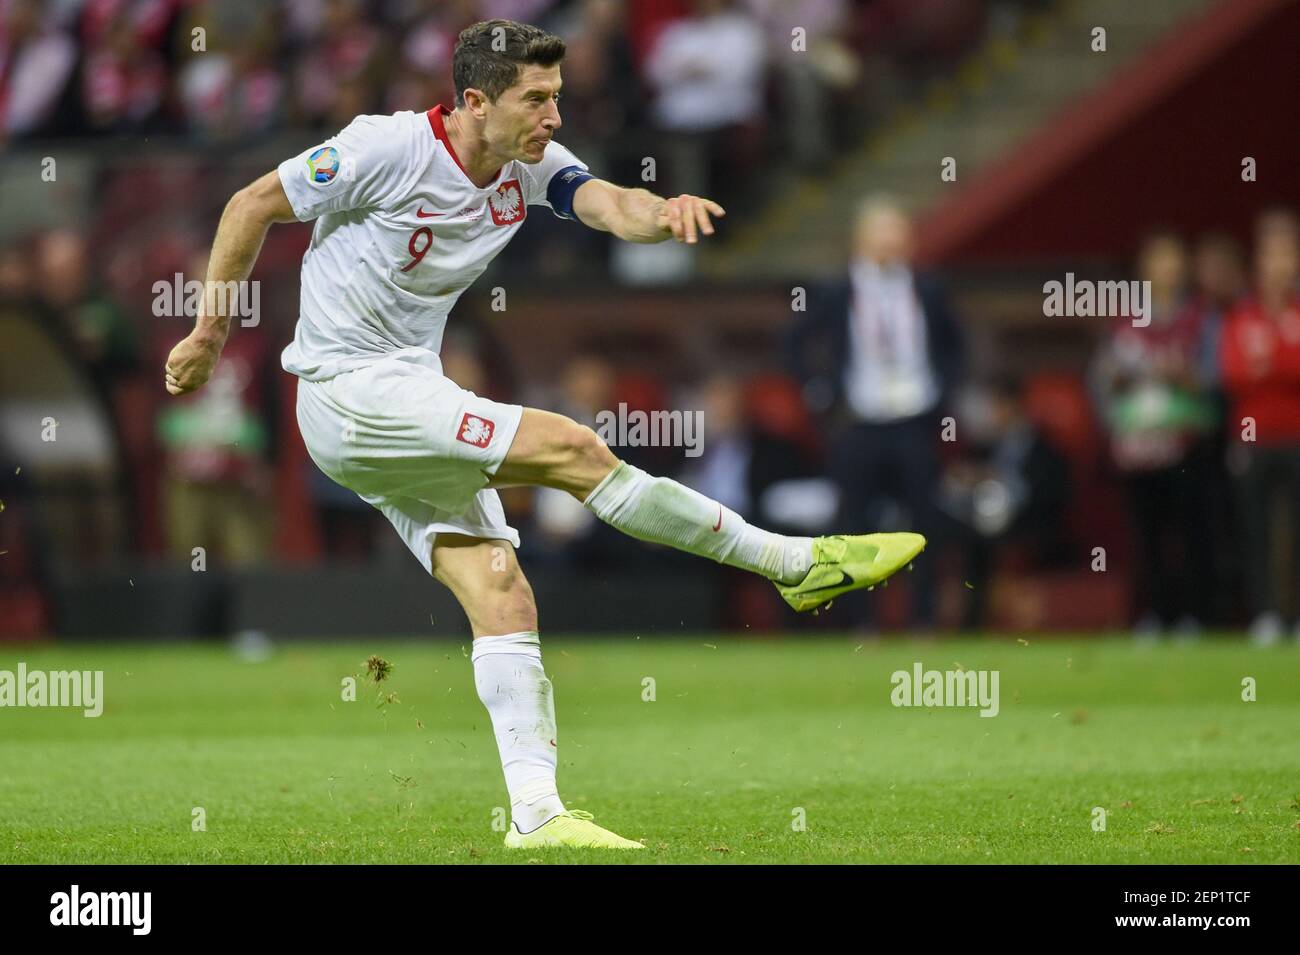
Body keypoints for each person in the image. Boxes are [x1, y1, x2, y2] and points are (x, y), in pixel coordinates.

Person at [162, 19, 925, 851]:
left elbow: (606, 204)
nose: (553, 116)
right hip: (346, 389)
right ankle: (792, 563)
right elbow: (251, 204)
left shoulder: (531, 167)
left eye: (556, 97)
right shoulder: (384, 148)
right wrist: (209, 333)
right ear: (475, 102)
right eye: (535, 99)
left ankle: (537, 816)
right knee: (575, 448)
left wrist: (659, 214)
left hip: (408, 393)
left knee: (503, 590)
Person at [788, 196, 963, 629]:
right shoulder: (836, 291)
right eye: (880, 232)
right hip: (859, 423)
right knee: (853, 525)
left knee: (924, 522)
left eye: (896, 232)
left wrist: (943, 392)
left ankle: (923, 619)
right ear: (860, 240)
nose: (888, 242)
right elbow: (793, 342)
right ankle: (861, 621)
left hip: (914, 420)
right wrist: (819, 391)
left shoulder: (928, 288)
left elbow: (955, 345)